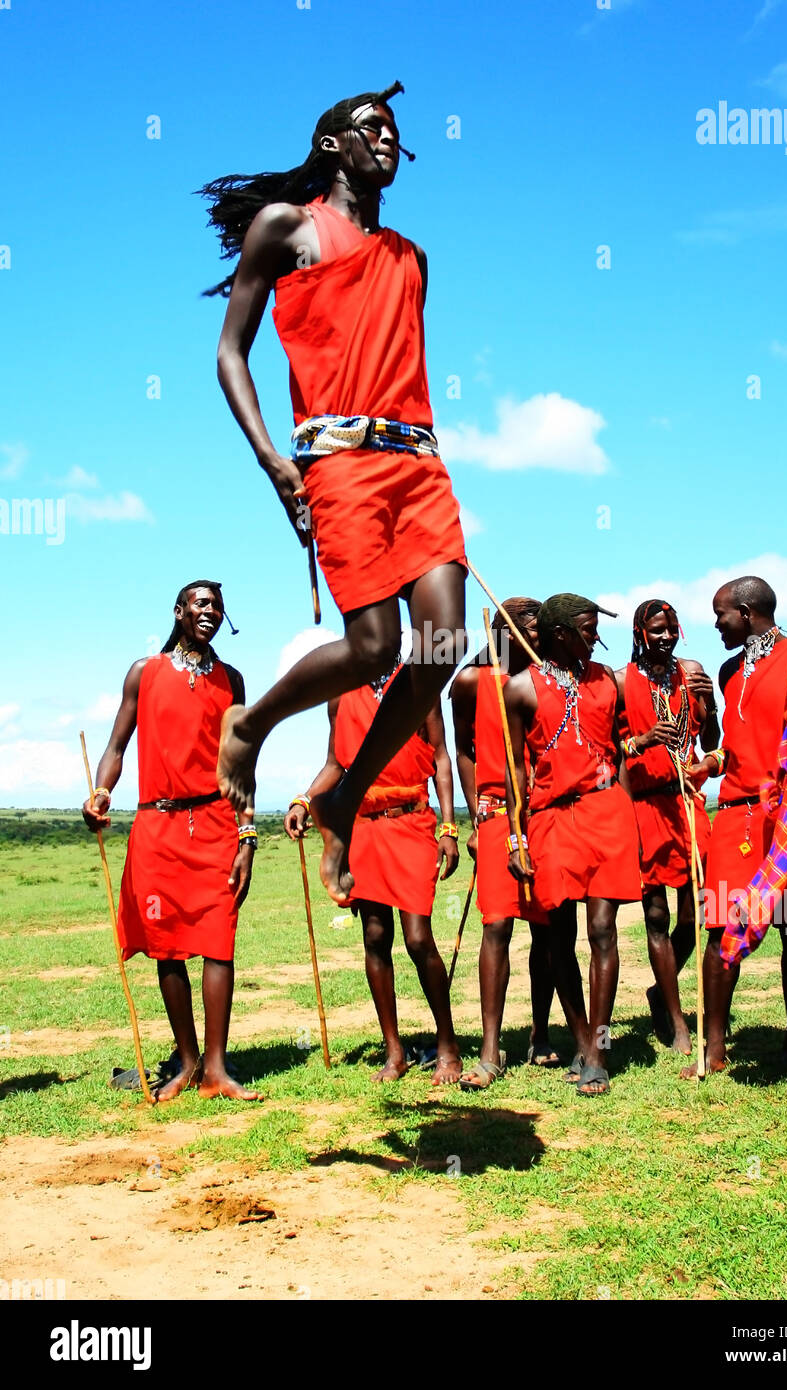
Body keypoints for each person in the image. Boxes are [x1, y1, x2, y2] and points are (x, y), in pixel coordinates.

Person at [200, 82, 466, 904]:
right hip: (339, 460)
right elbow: (230, 352)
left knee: (443, 644)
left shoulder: (412, 258)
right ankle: (251, 724)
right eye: (371, 126)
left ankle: (344, 794)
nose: (387, 138)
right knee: (375, 647)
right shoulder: (287, 228)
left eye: (394, 130)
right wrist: (270, 458)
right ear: (331, 144)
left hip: (418, 461)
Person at [81, 582, 262, 1102]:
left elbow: (240, 762)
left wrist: (247, 834)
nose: (211, 611)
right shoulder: (145, 672)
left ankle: (217, 1070)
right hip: (156, 827)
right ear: (179, 611)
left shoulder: (232, 680)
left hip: (216, 824)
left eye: (217, 606)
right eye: (201, 603)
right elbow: (117, 746)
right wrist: (101, 791)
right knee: (168, 946)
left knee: (218, 941)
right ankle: (187, 1061)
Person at [285, 671, 462, 1085]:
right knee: (375, 936)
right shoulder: (341, 696)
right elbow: (336, 765)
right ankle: (394, 1052)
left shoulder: (419, 686)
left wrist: (449, 827)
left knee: (418, 938)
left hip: (412, 823)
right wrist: (303, 801)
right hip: (364, 828)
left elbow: (440, 758)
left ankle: (448, 1045)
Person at [504, 594, 642, 1097]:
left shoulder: (609, 681)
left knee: (603, 930)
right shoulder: (520, 689)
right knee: (557, 938)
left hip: (606, 812)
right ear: (559, 634)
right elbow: (516, 771)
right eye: (587, 630)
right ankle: (582, 1040)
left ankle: (598, 1053)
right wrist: (516, 837)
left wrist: (628, 813)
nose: (596, 638)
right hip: (551, 819)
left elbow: (622, 750)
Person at [683, 577, 787, 1078]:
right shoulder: (728, 671)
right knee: (721, 928)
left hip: (786, 816)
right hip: (734, 815)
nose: (716, 624)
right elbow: (735, 746)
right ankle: (713, 1048)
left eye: (720, 614)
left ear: (744, 612)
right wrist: (710, 762)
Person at [449, 599, 563, 1089]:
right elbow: (463, 748)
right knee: (496, 925)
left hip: (544, 814)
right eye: (527, 630)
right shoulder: (471, 682)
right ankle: (490, 1049)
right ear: (502, 632)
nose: (536, 638)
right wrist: (475, 812)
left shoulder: (548, 682)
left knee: (547, 931)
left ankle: (540, 1033)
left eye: (540, 630)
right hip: (496, 813)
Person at [615, 600, 718, 1054]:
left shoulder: (691, 672)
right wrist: (640, 741)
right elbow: (609, 749)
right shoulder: (621, 681)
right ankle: (677, 1023)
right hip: (645, 807)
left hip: (687, 803)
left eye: (672, 629)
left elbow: (710, 740)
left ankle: (660, 991)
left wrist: (710, 704)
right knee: (656, 916)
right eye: (657, 630)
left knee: (696, 917)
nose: (666, 637)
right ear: (640, 632)